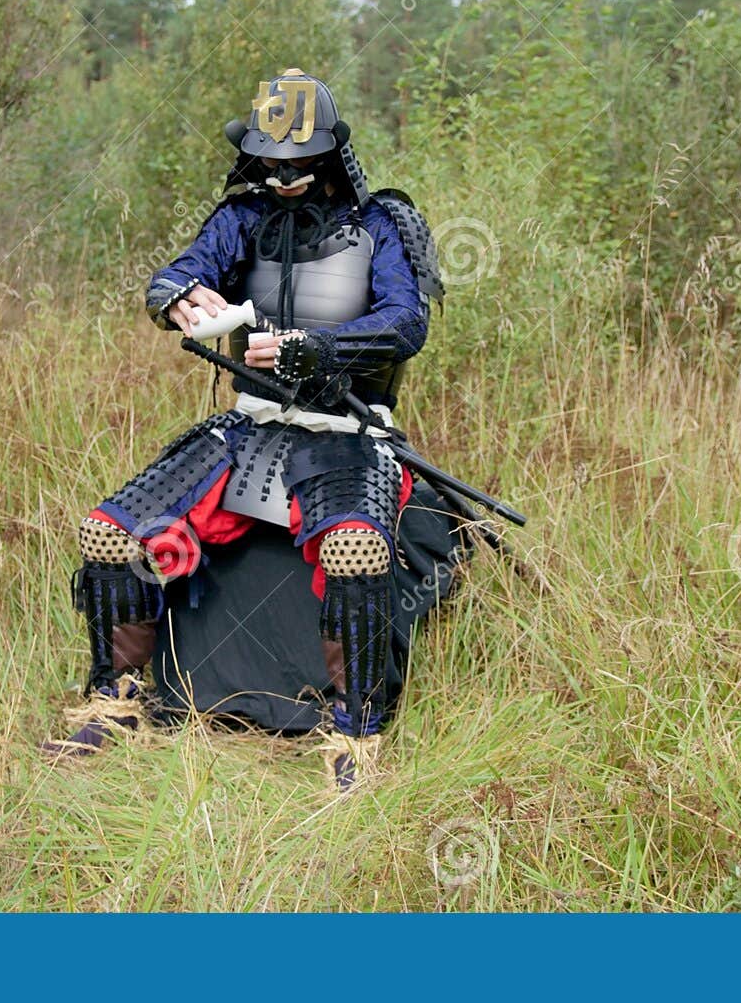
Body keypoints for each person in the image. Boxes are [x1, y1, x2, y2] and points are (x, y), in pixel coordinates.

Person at [45, 69, 447, 792]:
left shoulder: (382, 223)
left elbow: (405, 321)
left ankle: (356, 730)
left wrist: (316, 348)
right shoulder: (240, 219)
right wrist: (175, 296)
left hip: (346, 431)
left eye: (295, 163)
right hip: (251, 423)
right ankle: (119, 697)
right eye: (270, 161)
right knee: (110, 531)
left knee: (355, 548)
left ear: (328, 153)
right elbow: (178, 271)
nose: (282, 176)